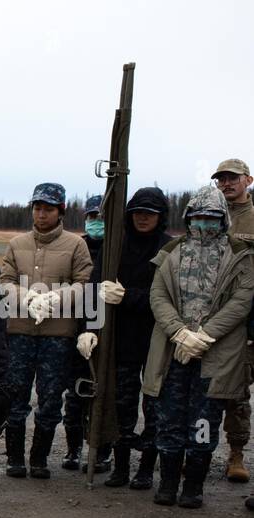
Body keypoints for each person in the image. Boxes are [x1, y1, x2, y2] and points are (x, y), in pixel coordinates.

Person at [142, 186, 254, 508]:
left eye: (212, 218)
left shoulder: (240, 255)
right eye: (198, 217)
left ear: (223, 219)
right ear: (188, 217)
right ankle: (167, 483)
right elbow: (158, 296)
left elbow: (241, 301)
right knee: (170, 419)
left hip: (215, 355)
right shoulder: (172, 253)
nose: (204, 223)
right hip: (173, 353)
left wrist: (204, 336)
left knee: (203, 422)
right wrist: (179, 333)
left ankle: (193, 485)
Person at [77, 186, 172, 489]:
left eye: (150, 213)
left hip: (156, 341)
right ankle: (120, 467)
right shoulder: (115, 245)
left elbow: (169, 299)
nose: (143, 218)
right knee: (121, 405)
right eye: (138, 213)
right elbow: (94, 288)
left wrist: (129, 296)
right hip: (119, 341)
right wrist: (89, 328)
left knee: (155, 407)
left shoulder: (169, 250)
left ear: (161, 217)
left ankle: (145, 468)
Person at [0, 182, 93, 479]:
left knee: (51, 397)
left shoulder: (76, 245)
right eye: (37, 208)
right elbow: (4, 281)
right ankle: (15, 458)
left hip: (57, 334)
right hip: (20, 331)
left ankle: (39, 458)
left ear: (60, 211)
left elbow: (84, 282)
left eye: (48, 209)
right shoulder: (17, 244)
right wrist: (25, 297)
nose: (41, 214)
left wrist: (57, 298)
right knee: (16, 394)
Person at [212, 159, 254, 481]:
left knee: (238, 393)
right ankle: (200, 450)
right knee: (208, 389)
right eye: (221, 179)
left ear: (248, 180)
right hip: (212, 315)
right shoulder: (211, 216)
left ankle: (236, 455)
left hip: (247, 317)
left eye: (232, 178)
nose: (226, 184)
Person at [62, 193, 109, 472]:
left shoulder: (119, 248)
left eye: (102, 217)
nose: (97, 222)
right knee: (76, 393)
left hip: (111, 331)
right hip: (76, 330)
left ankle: (102, 449)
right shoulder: (76, 247)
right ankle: (73, 448)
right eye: (93, 217)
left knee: (105, 393)